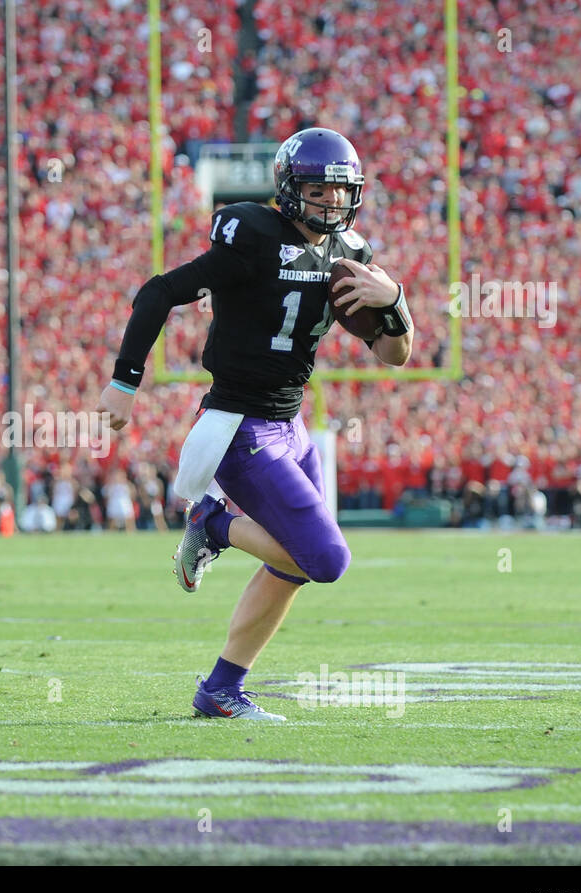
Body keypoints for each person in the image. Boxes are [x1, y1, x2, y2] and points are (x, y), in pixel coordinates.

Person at [96, 128, 414, 721]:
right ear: (290, 188)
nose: (331, 202)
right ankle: (212, 523)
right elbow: (161, 290)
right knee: (325, 560)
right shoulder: (254, 237)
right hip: (240, 426)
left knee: (292, 567)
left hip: (290, 426)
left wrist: (393, 297)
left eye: (340, 191)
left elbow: (395, 354)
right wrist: (124, 381)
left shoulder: (346, 256)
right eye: (318, 189)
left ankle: (221, 690)